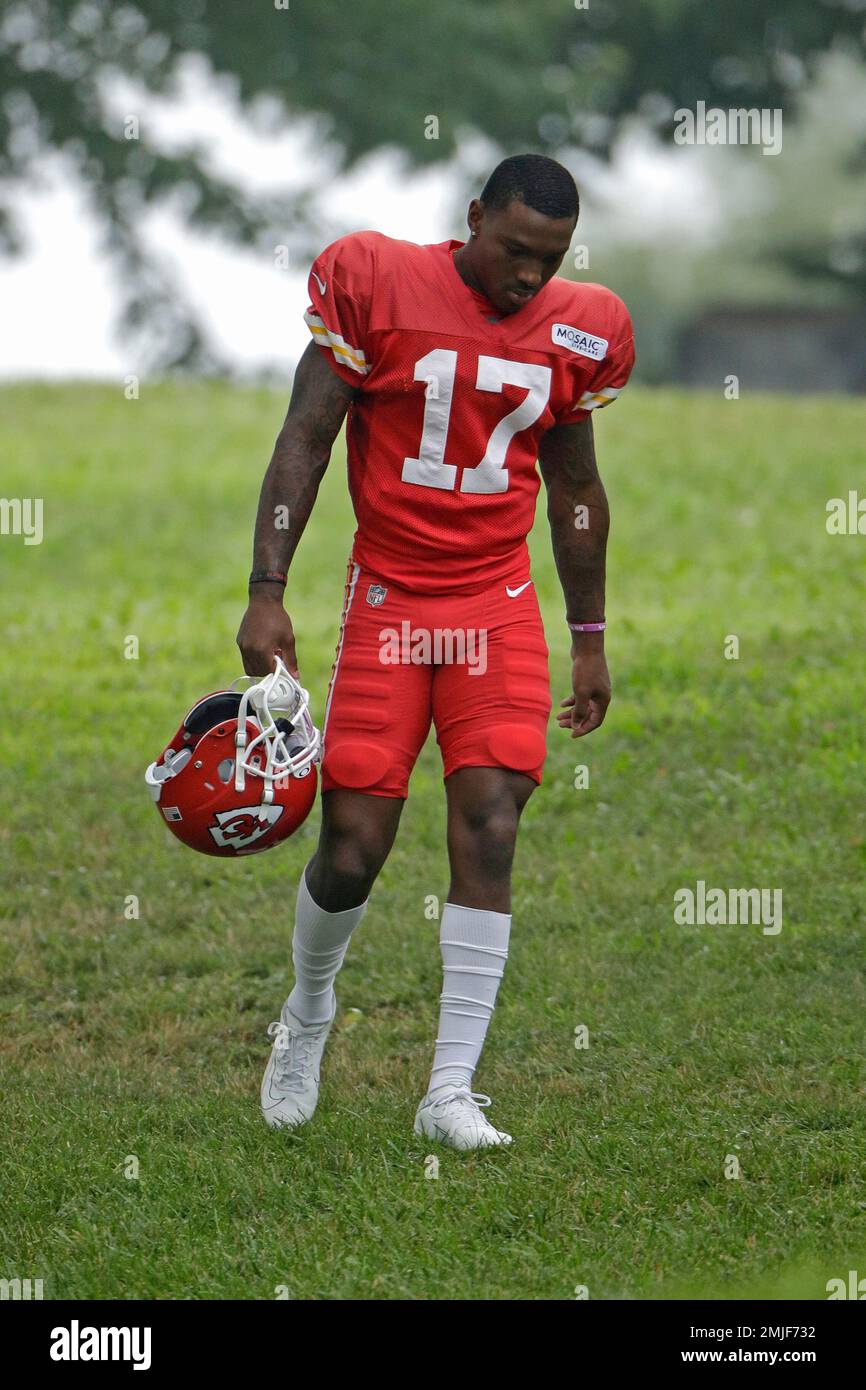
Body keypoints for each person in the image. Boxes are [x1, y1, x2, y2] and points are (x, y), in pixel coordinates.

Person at [236, 153, 635, 1150]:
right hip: (390, 598)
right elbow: (305, 438)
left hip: (494, 603)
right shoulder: (377, 283)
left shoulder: (579, 329)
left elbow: (574, 489)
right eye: (515, 250)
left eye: (549, 260)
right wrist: (266, 592)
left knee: (491, 822)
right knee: (353, 845)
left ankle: (449, 1089)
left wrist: (589, 637)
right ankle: (308, 1011)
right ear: (473, 218)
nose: (529, 276)